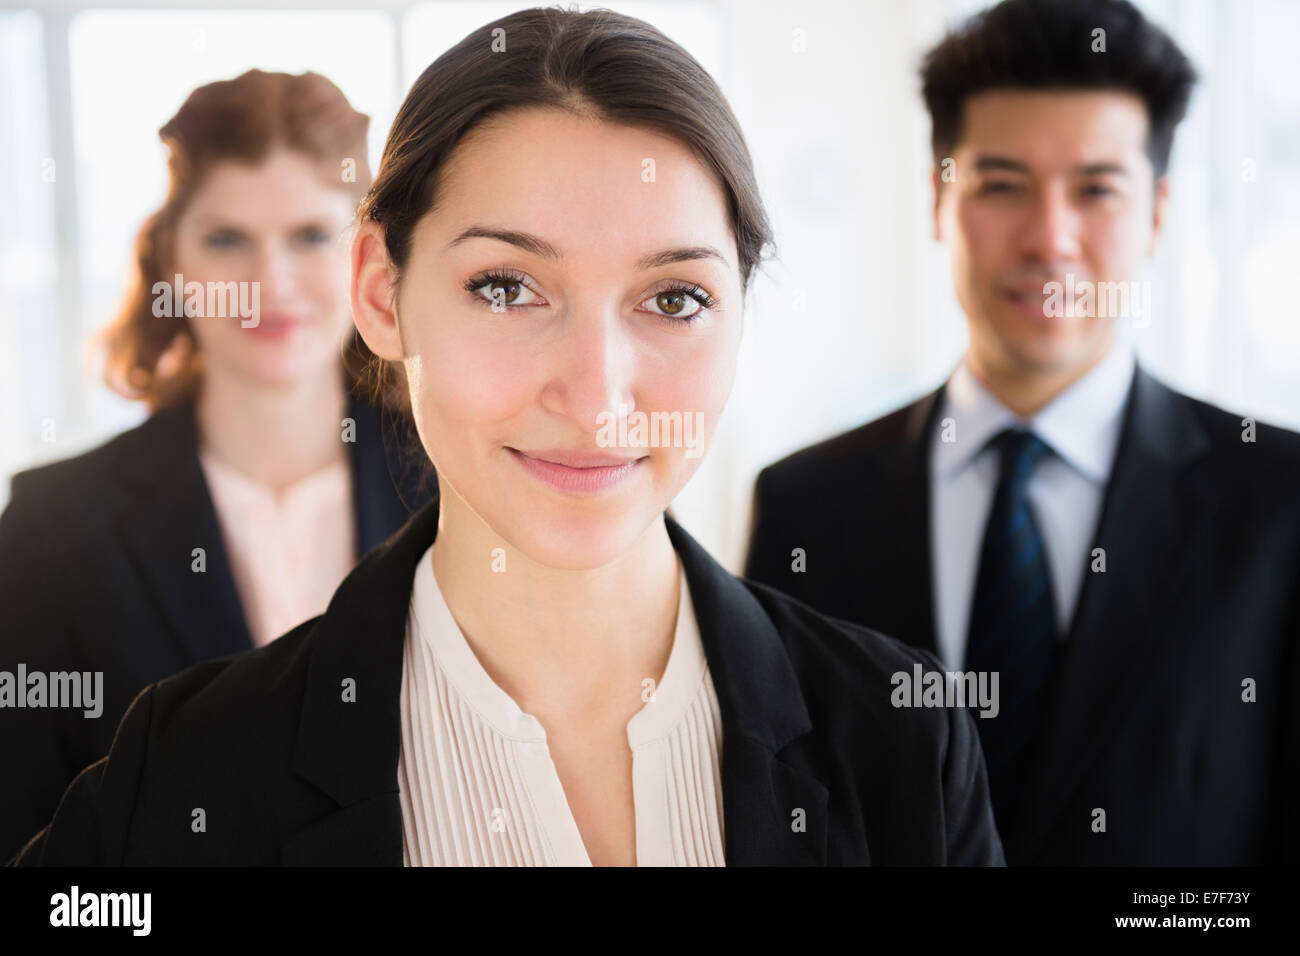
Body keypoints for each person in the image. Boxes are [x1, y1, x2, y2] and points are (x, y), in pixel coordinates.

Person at [14, 7, 1002, 867]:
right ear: (381, 292)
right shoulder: (187, 769)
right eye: (506, 286)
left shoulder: (903, 736)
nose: (595, 392)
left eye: (673, 297)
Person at [745, 0, 1300, 865]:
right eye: (1002, 184)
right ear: (940, 198)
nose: (1050, 239)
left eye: (1096, 190)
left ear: (1156, 214)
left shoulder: (1275, 499)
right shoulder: (808, 507)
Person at [0, 70, 431, 863]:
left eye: (310, 236)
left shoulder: (459, 483)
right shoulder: (52, 525)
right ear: (171, 259)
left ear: (368, 262)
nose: (269, 285)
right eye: (227, 239)